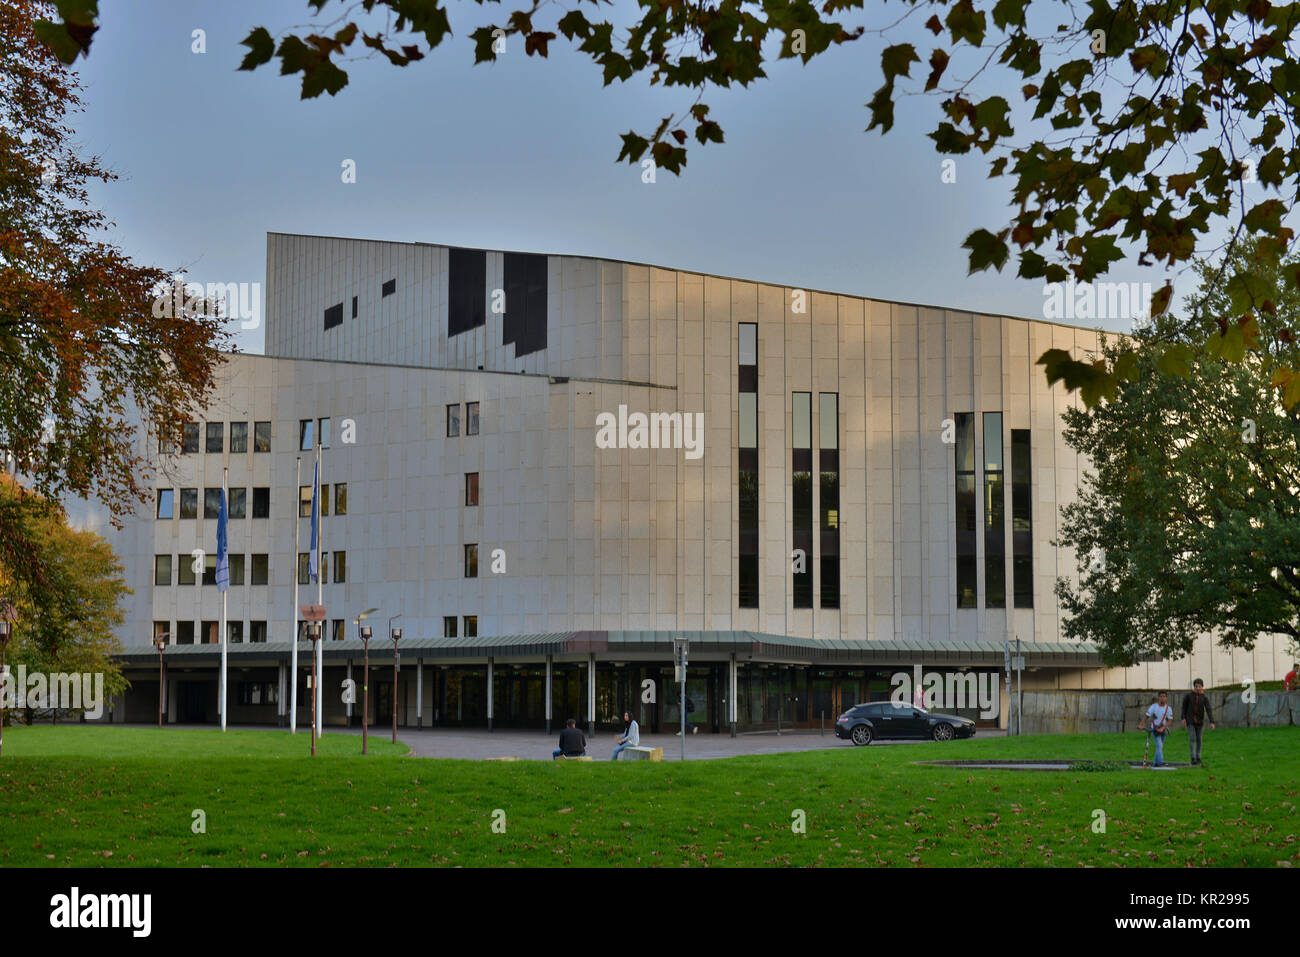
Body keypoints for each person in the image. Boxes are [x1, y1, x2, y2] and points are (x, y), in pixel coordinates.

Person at [1180, 679, 1216, 766]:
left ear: (1202, 687)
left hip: (1200, 722)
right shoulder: (1188, 696)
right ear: (1194, 687)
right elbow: (1184, 707)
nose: (1197, 688)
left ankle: (1198, 757)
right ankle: (1192, 758)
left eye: (1199, 686)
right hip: (1190, 721)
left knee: (1199, 739)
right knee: (1192, 738)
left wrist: (1212, 722)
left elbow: (1208, 709)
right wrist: (1183, 718)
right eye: (1196, 686)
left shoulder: (1204, 697)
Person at [1139, 691, 1174, 767]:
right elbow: (1147, 716)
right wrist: (1141, 725)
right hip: (1155, 729)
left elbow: (1170, 721)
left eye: (1164, 696)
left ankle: (1155, 763)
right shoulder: (1154, 706)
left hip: (1164, 730)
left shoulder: (1168, 708)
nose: (1162, 698)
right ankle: (1161, 761)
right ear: (1158, 697)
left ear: (1167, 698)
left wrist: (1163, 728)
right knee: (1159, 745)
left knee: (1160, 747)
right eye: (1161, 696)